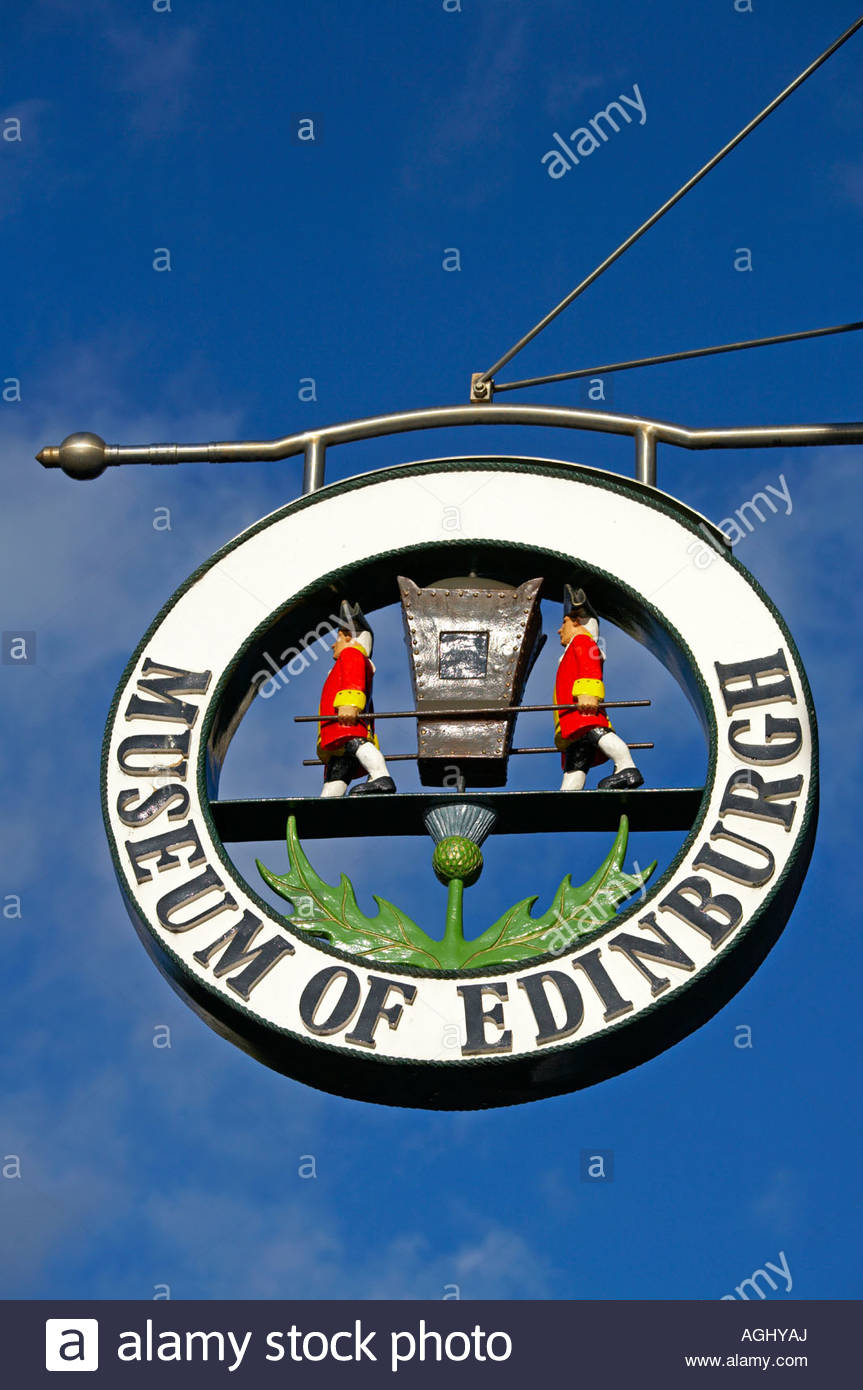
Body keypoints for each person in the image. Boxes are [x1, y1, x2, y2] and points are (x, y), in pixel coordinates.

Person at [554, 585, 644, 792]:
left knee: (597, 733)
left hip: (581, 709)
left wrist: (589, 693)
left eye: (564, 623)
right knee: (577, 756)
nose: (560, 630)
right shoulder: (571, 649)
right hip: (571, 717)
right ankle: (569, 791)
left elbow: (589, 666)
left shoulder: (583, 642)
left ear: (578, 623)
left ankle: (627, 767)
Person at [317, 601, 396, 797]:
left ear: (349, 637)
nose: (333, 644)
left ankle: (380, 776)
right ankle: (329, 797)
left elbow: (353, 679)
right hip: (339, 726)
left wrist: (350, 705)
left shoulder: (351, 655)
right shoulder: (350, 659)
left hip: (345, 723)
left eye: (338, 638)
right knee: (340, 765)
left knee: (355, 743)